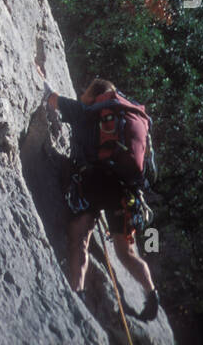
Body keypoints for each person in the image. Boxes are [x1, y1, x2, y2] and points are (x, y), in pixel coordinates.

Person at [42, 76, 160, 321]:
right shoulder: (128, 117)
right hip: (124, 192)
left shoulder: (86, 112)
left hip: (93, 185)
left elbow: (51, 97)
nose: (82, 94)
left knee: (80, 239)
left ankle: (78, 292)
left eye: (85, 91)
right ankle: (151, 294)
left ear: (93, 95)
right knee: (126, 253)